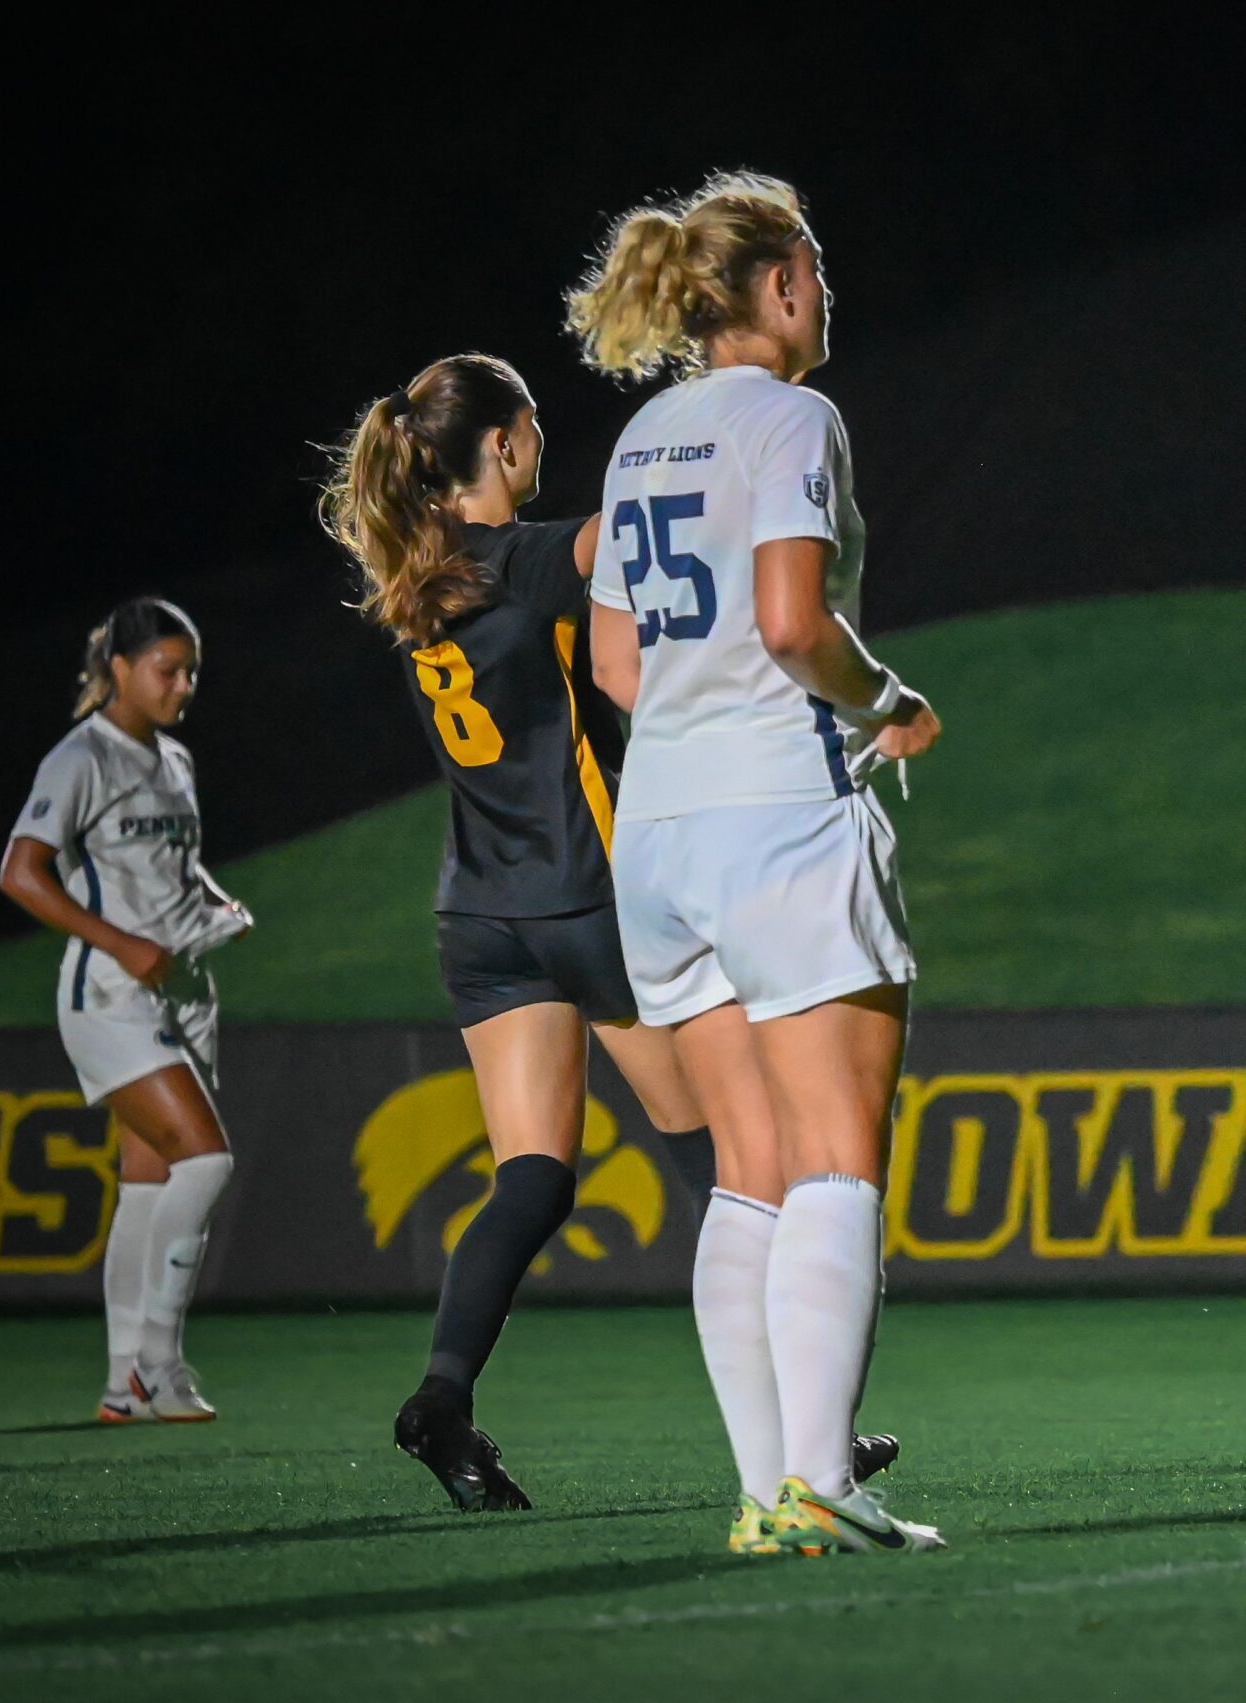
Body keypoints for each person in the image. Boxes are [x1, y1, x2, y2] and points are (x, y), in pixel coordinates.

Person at [320, 353, 899, 1511]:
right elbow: (649, 521)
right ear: (504, 445)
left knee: (532, 1175)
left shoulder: (417, 579)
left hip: (479, 915)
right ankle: (807, 1434)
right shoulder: (533, 559)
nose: (541, 441)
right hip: (592, 899)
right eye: (530, 426)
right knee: (733, 1158)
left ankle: (442, 1394)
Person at [567, 170, 945, 1555]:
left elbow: (614, 662)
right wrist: (886, 699)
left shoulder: (644, 434)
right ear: (782, 281)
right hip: (774, 809)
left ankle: (764, 1494)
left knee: (751, 1168)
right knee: (839, 1153)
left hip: (656, 825)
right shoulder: (794, 415)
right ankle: (823, 1485)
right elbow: (794, 623)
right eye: (820, 267)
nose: (827, 293)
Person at [0, 598, 251, 1425]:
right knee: (205, 1162)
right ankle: (154, 1362)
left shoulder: (174, 761)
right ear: (119, 669)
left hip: (181, 991)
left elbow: (173, 867)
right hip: (109, 993)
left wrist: (213, 901)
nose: (183, 684)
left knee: (147, 1183)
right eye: (166, 669)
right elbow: (20, 872)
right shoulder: (80, 759)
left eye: (192, 671)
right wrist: (119, 941)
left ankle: (127, 1386)